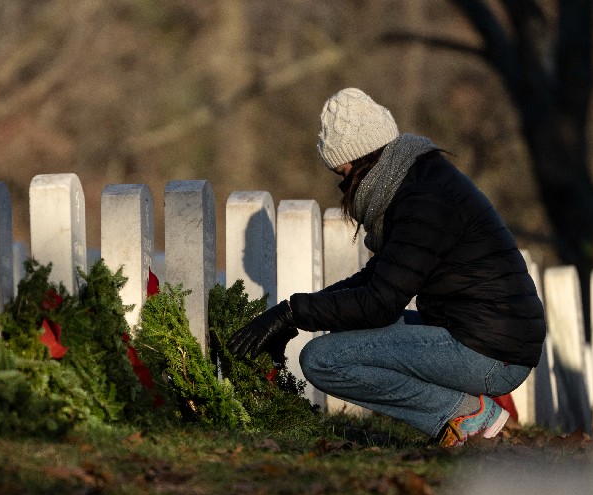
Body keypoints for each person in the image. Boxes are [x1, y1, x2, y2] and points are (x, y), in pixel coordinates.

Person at [227, 87, 546, 447]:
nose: (343, 187)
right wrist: (291, 313)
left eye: (343, 174)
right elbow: (377, 280)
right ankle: (462, 413)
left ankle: (464, 415)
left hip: (491, 353)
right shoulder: (420, 182)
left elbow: (380, 303)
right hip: (484, 338)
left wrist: (292, 315)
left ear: (362, 161)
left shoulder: (424, 200)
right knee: (348, 338)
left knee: (322, 359)